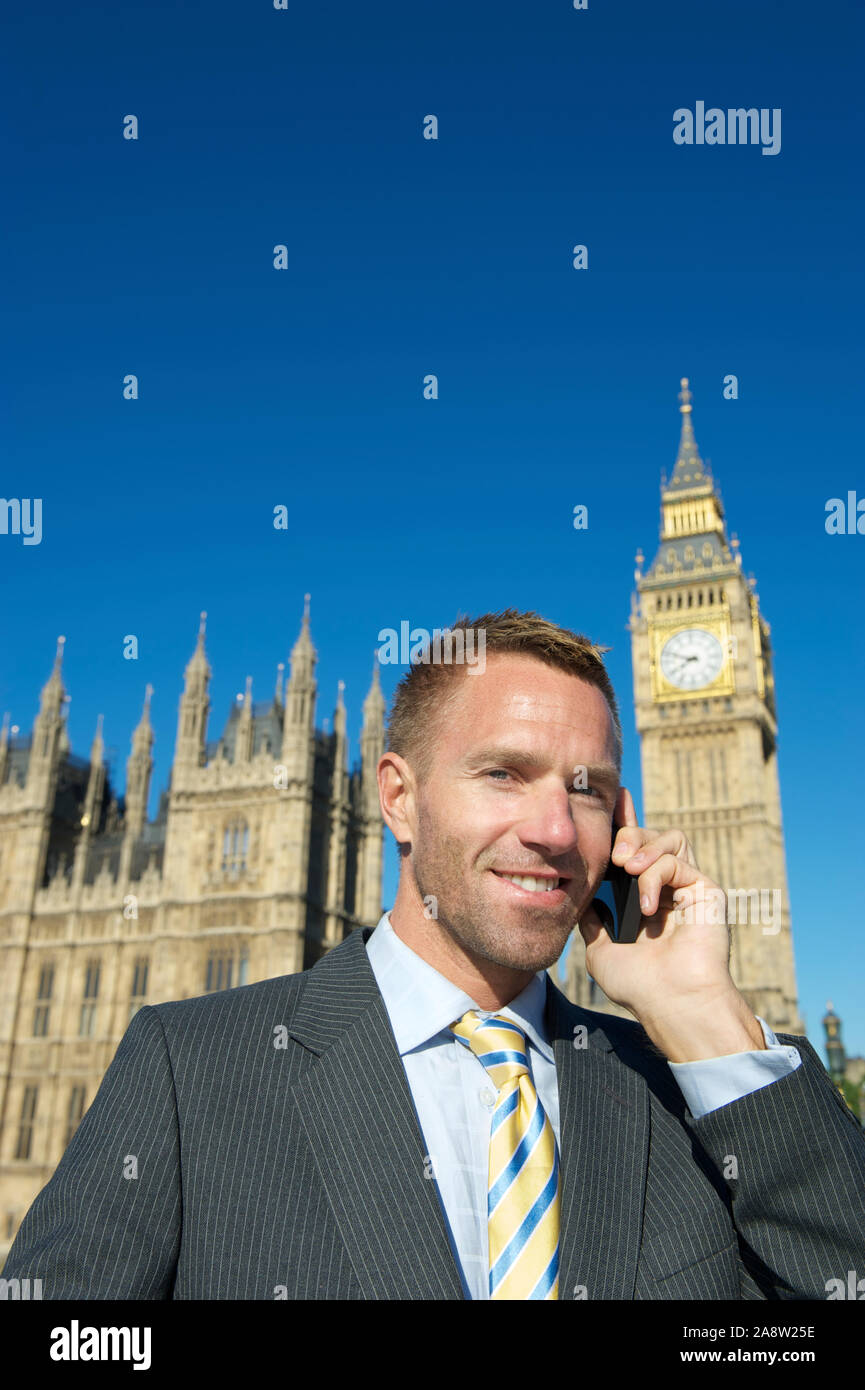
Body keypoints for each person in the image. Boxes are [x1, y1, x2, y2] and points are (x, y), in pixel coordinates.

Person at [4, 609, 864, 1299]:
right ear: (398, 799)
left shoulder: (684, 1095)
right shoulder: (190, 1072)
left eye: (587, 788)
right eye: (501, 774)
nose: (553, 830)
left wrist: (703, 1016)